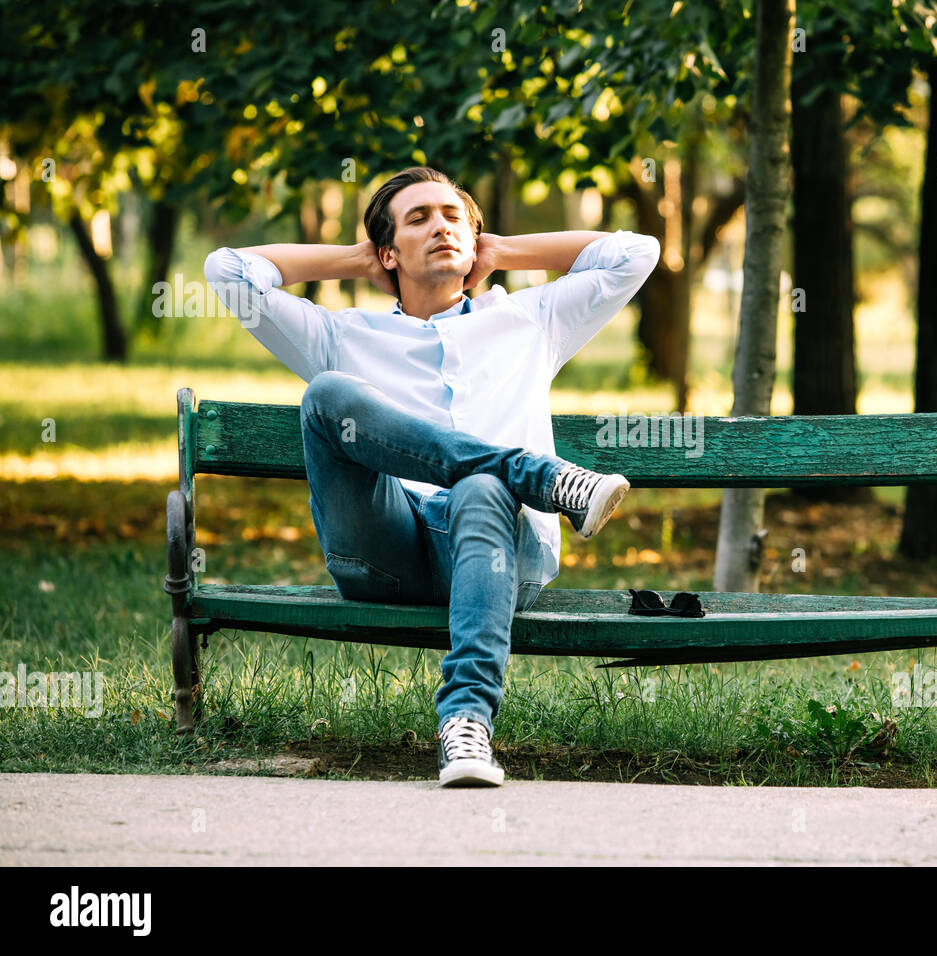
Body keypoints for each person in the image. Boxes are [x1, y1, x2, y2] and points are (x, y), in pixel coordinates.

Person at [204, 165, 660, 787]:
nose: (441, 227)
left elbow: (637, 253)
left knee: (482, 487)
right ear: (388, 252)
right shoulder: (343, 334)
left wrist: (501, 250)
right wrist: (355, 260)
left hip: (496, 548)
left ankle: (466, 724)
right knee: (328, 393)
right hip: (383, 550)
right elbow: (228, 272)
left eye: (454, 218)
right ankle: (543, 479)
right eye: (417, 219)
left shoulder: (530, 319)